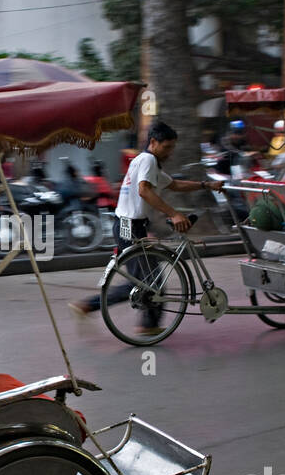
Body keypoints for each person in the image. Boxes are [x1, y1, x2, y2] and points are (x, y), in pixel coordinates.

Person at [70, 121, 222, 335]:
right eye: (166, 147)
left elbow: (174, 185)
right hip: (128, 226)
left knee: (144, 279)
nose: (169, 152)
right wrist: (174, 213)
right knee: (149, 280)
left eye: (172, 148)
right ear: (153, 142)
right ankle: (109, 312)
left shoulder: (146, 161)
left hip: (129, 225)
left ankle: (136, 321)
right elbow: (144, 191)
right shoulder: (148, 160)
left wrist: (206, 185)